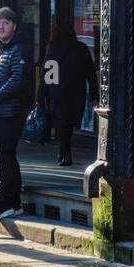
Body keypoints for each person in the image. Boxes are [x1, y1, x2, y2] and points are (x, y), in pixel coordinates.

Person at [0, 7, 33, 224]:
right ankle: (14, 202)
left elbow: (17, 79)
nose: (1, 27)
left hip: (9, 113)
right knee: (4, 158)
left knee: (5, 156)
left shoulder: (18, 48)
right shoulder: (0, 50)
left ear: (14, 25)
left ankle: (4, 202)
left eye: (5, 23)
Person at [40, 20, 99, 167]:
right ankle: (64, 152)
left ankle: (64, 153)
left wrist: (41, 96)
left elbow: (47, 75)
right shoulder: (81, 49)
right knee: (69, 124)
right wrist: (93, 93)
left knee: (61, 125)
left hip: (58, 93)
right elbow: (90, 73)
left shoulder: (53, 49)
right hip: (76, 92)